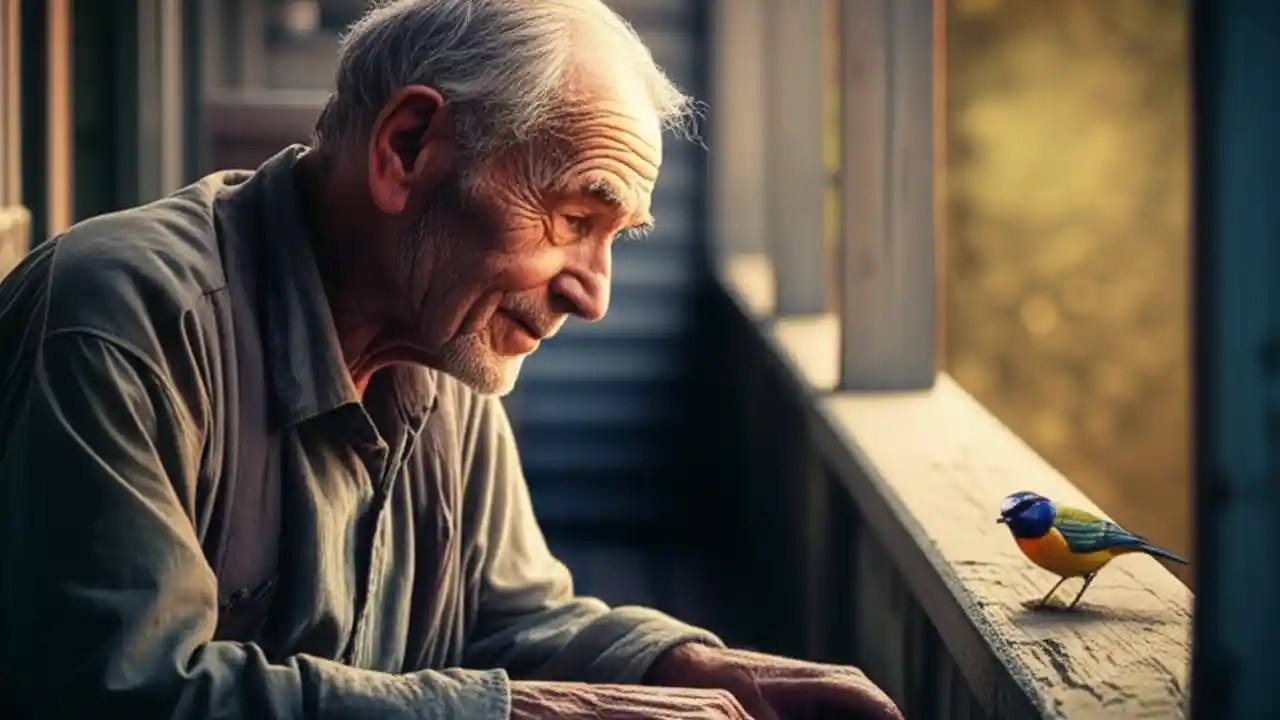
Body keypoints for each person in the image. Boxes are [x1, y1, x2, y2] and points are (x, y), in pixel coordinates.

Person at [0, 1, 902, 718]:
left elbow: (508, 617)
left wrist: (690, 665)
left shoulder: (441, 350)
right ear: (406, 149)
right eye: (576, 221)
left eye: (618, 238)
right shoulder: (122, 315)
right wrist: (527, 714)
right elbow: (116, 693)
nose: (595, 294)